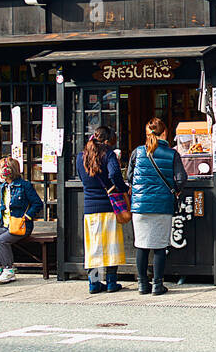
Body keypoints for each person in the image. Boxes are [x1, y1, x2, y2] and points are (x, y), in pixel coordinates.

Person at [126, 117, 185, 296]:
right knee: (159, 247)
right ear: (165, 132)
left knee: (142, 246)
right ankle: (157, 285)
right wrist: (175, 190)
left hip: (140, 207)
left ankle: (142, 284)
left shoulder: (137, 152)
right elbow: (181, 179)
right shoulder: (172, 154)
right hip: (162, 206)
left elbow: (129, 177)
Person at [76, 126, 129, 294]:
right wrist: (122, 188)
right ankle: (112, 283)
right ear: (106, 141)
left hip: (90, 208)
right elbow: (114, 174)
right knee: (111, 245)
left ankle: (94, 283)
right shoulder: (109, 154)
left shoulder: (80, 157)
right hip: (109, 206)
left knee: (93, 248)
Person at [0, 156, 43, 284]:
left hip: (21, 225)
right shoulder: (4, 187)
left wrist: (27, 217)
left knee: (0, 241)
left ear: (7, 171)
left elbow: (37, 204)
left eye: (0, 169)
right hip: (5, 224)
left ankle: (9, 270)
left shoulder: (24, 186)